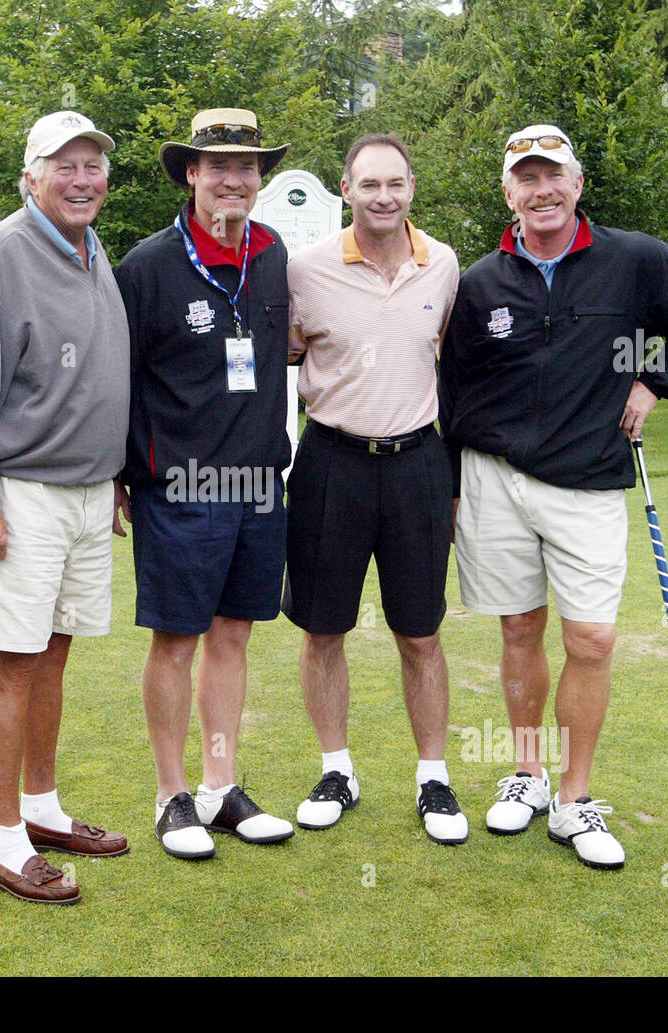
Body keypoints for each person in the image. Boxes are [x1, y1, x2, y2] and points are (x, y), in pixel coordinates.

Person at [438, 124, 668, 869]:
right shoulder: (481, 283)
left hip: (590, 479)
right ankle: (527, 774)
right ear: (507, 193)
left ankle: (574, 798)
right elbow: (453, 388)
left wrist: (655, 380)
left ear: (577, 184)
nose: (541, 190)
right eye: (525, 178)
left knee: (591, 638)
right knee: (516, 630)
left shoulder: (633, 260)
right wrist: (446, 487)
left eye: (553, 176)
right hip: (493, 478)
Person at [0, 111, 130, 904]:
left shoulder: (88, 246)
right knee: (12, 659)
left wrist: (110, 473)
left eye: (93, 166)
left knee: (54, 650)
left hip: (85, 492)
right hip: (17, 493)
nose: (83, 180)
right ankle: (4, 838)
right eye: (64, 167)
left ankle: (42, 806)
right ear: (30, 176)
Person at [114, 108, 296, 860]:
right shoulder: (148, 264)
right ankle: (171, 793)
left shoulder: (276, 252)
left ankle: (220, 785)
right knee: (177, 641)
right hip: (179, 486)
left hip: (259, 483)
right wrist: (122, 475)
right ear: (190, 173)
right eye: (217, 166)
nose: (233, 178)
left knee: (233, 636)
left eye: (247, 167)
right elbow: (116, 379)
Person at [284, 133, 467, 844]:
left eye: (395, 183)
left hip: (420, 462)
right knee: (323, 628)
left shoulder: (443, 264)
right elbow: (283, 352)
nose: (383, 196)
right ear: (346, 189)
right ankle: (337, 769)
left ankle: (433, 777)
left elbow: (453, 359)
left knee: (419, 631)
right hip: (331, 462)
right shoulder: (306, 269)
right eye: (369, 185)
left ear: (412, 187)